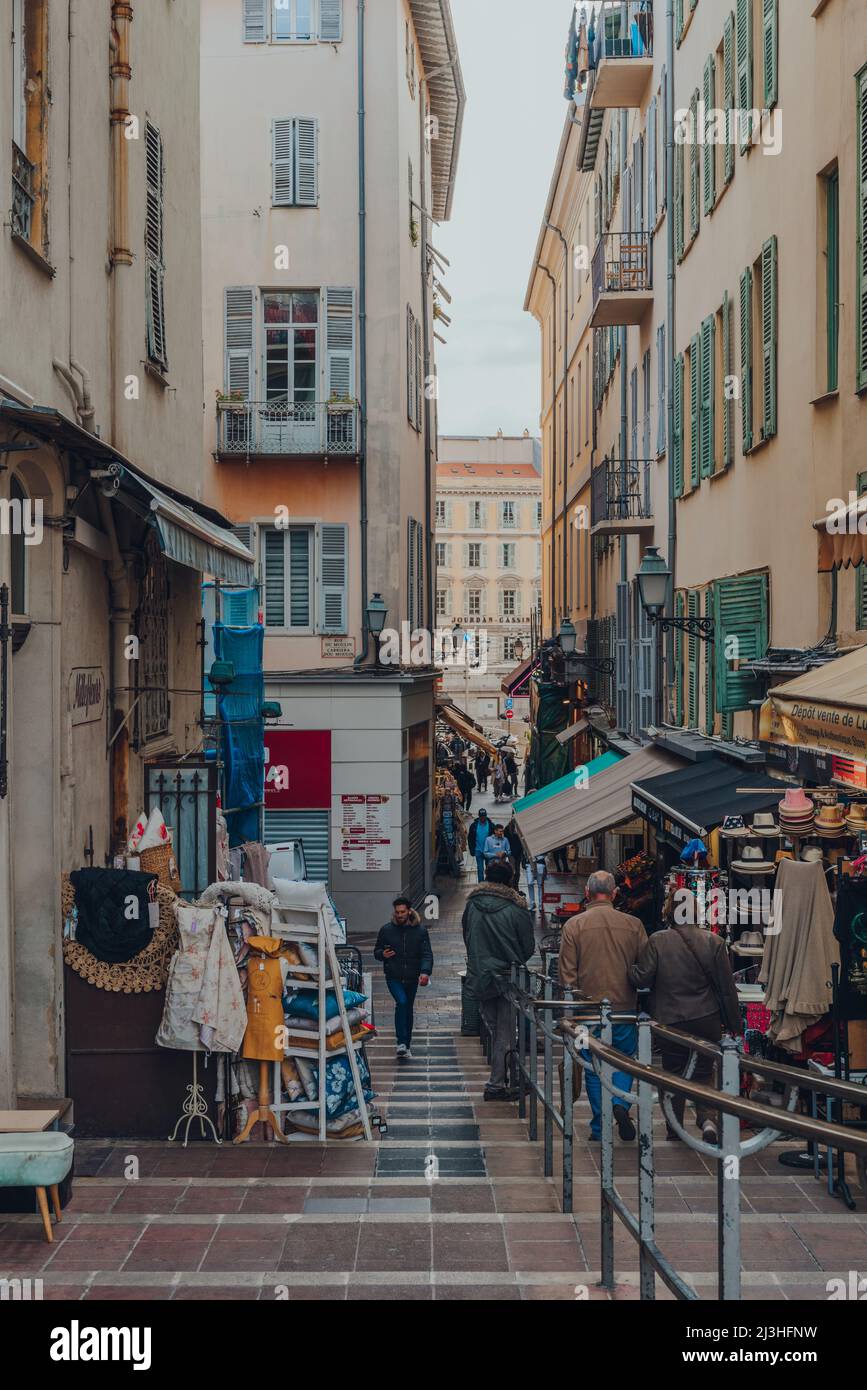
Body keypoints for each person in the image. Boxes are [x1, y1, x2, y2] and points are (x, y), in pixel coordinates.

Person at [629, 889, 742, 1144]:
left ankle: (674, 1127)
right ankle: (707, 1118)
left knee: (673, 1073)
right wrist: (735, 1025)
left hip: (671, 1020)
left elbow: (642, 978)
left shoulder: (658, 941)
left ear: (669, 911)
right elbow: (726, 990)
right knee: (704, 1071)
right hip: (707, 1018)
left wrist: (629, 966)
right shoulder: (714, 942)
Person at [558, 870, 648, 1142]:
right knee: (623, 1059)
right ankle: (620, 1105)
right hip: (624, 1009)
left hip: (587, 1012)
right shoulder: (634, 925)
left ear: (587, 892)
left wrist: (570, 1013)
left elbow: (567, 975)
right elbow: (644, 969)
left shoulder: (574, 926)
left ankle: (600, 1125)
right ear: (615, 893)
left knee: (592, 1065)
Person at [462, 859, 535, 1100]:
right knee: (504, 1032)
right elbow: (528, 947)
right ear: (510, 880)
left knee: (496, 1031)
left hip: (480, 976)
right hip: (507, 977)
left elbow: (467, 936)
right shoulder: (516, 909)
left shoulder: (471, 905)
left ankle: (510, 1075)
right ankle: (497, 1084)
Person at [373, 896, 433, 1059]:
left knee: (408, 1008)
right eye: (397, 912)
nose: (399, 915)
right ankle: (401, 1042)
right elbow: (377, 951)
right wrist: (382, 954)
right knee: (402, 1002)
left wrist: (425, 972)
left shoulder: (420, 931)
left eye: (402, 912)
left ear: (409, 911)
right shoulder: (386, 930)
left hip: (412, 976)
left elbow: (427, 954)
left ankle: (406, 1044)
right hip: (393, 975)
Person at [468, 808, 491, 883]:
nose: (482, 818)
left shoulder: (491, 825)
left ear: (486, 816)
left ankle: (488, 883)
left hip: (488, 852)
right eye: (481, 816)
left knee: (489, 869)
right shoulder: (474, 826)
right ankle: (481, 884)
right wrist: (472, 850)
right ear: (479, 816)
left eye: (484, 816)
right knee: (480, 869)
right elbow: (470, 838)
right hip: (478, 851)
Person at [504, 814, 525, 889]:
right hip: (511, 853)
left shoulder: (521, 828)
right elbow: (505, 840)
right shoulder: (507, 829)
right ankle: (511, 886)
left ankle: (516, 886)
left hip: (519, 853)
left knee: (518, 872)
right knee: (513, 871)